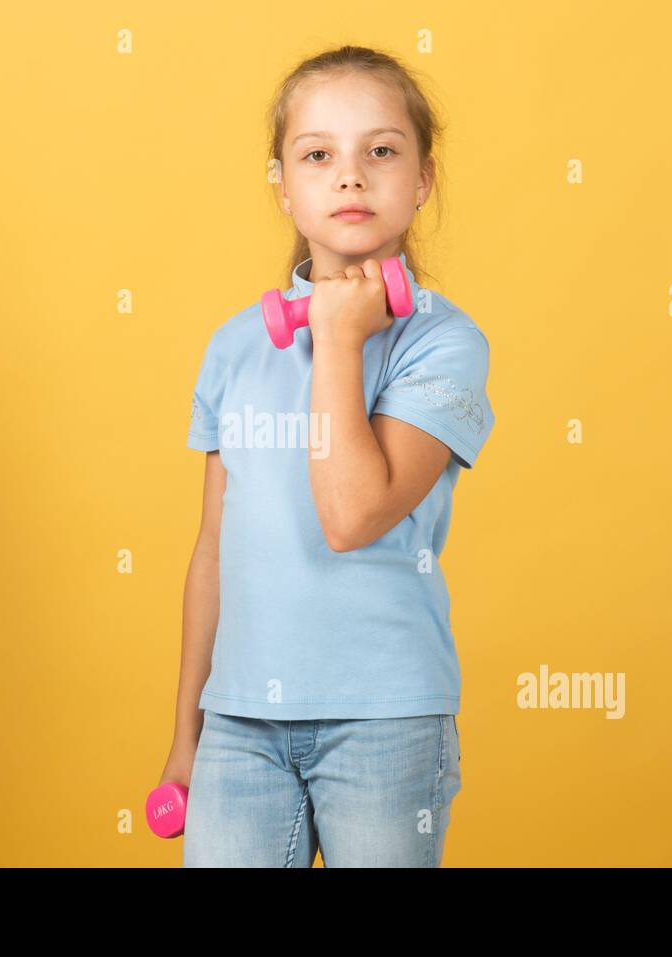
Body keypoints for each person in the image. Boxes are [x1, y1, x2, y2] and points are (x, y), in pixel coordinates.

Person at [159, 45, 495, 867]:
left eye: (381, 151)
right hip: (238, 724)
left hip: (383, 721)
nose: (350, 177)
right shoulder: (236, 346)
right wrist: (186, 736)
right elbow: (213, 550)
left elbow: (350, 514)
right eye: (318, 155)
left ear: (423, 180)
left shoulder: (444, 343)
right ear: (283, 184)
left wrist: (338, 337)